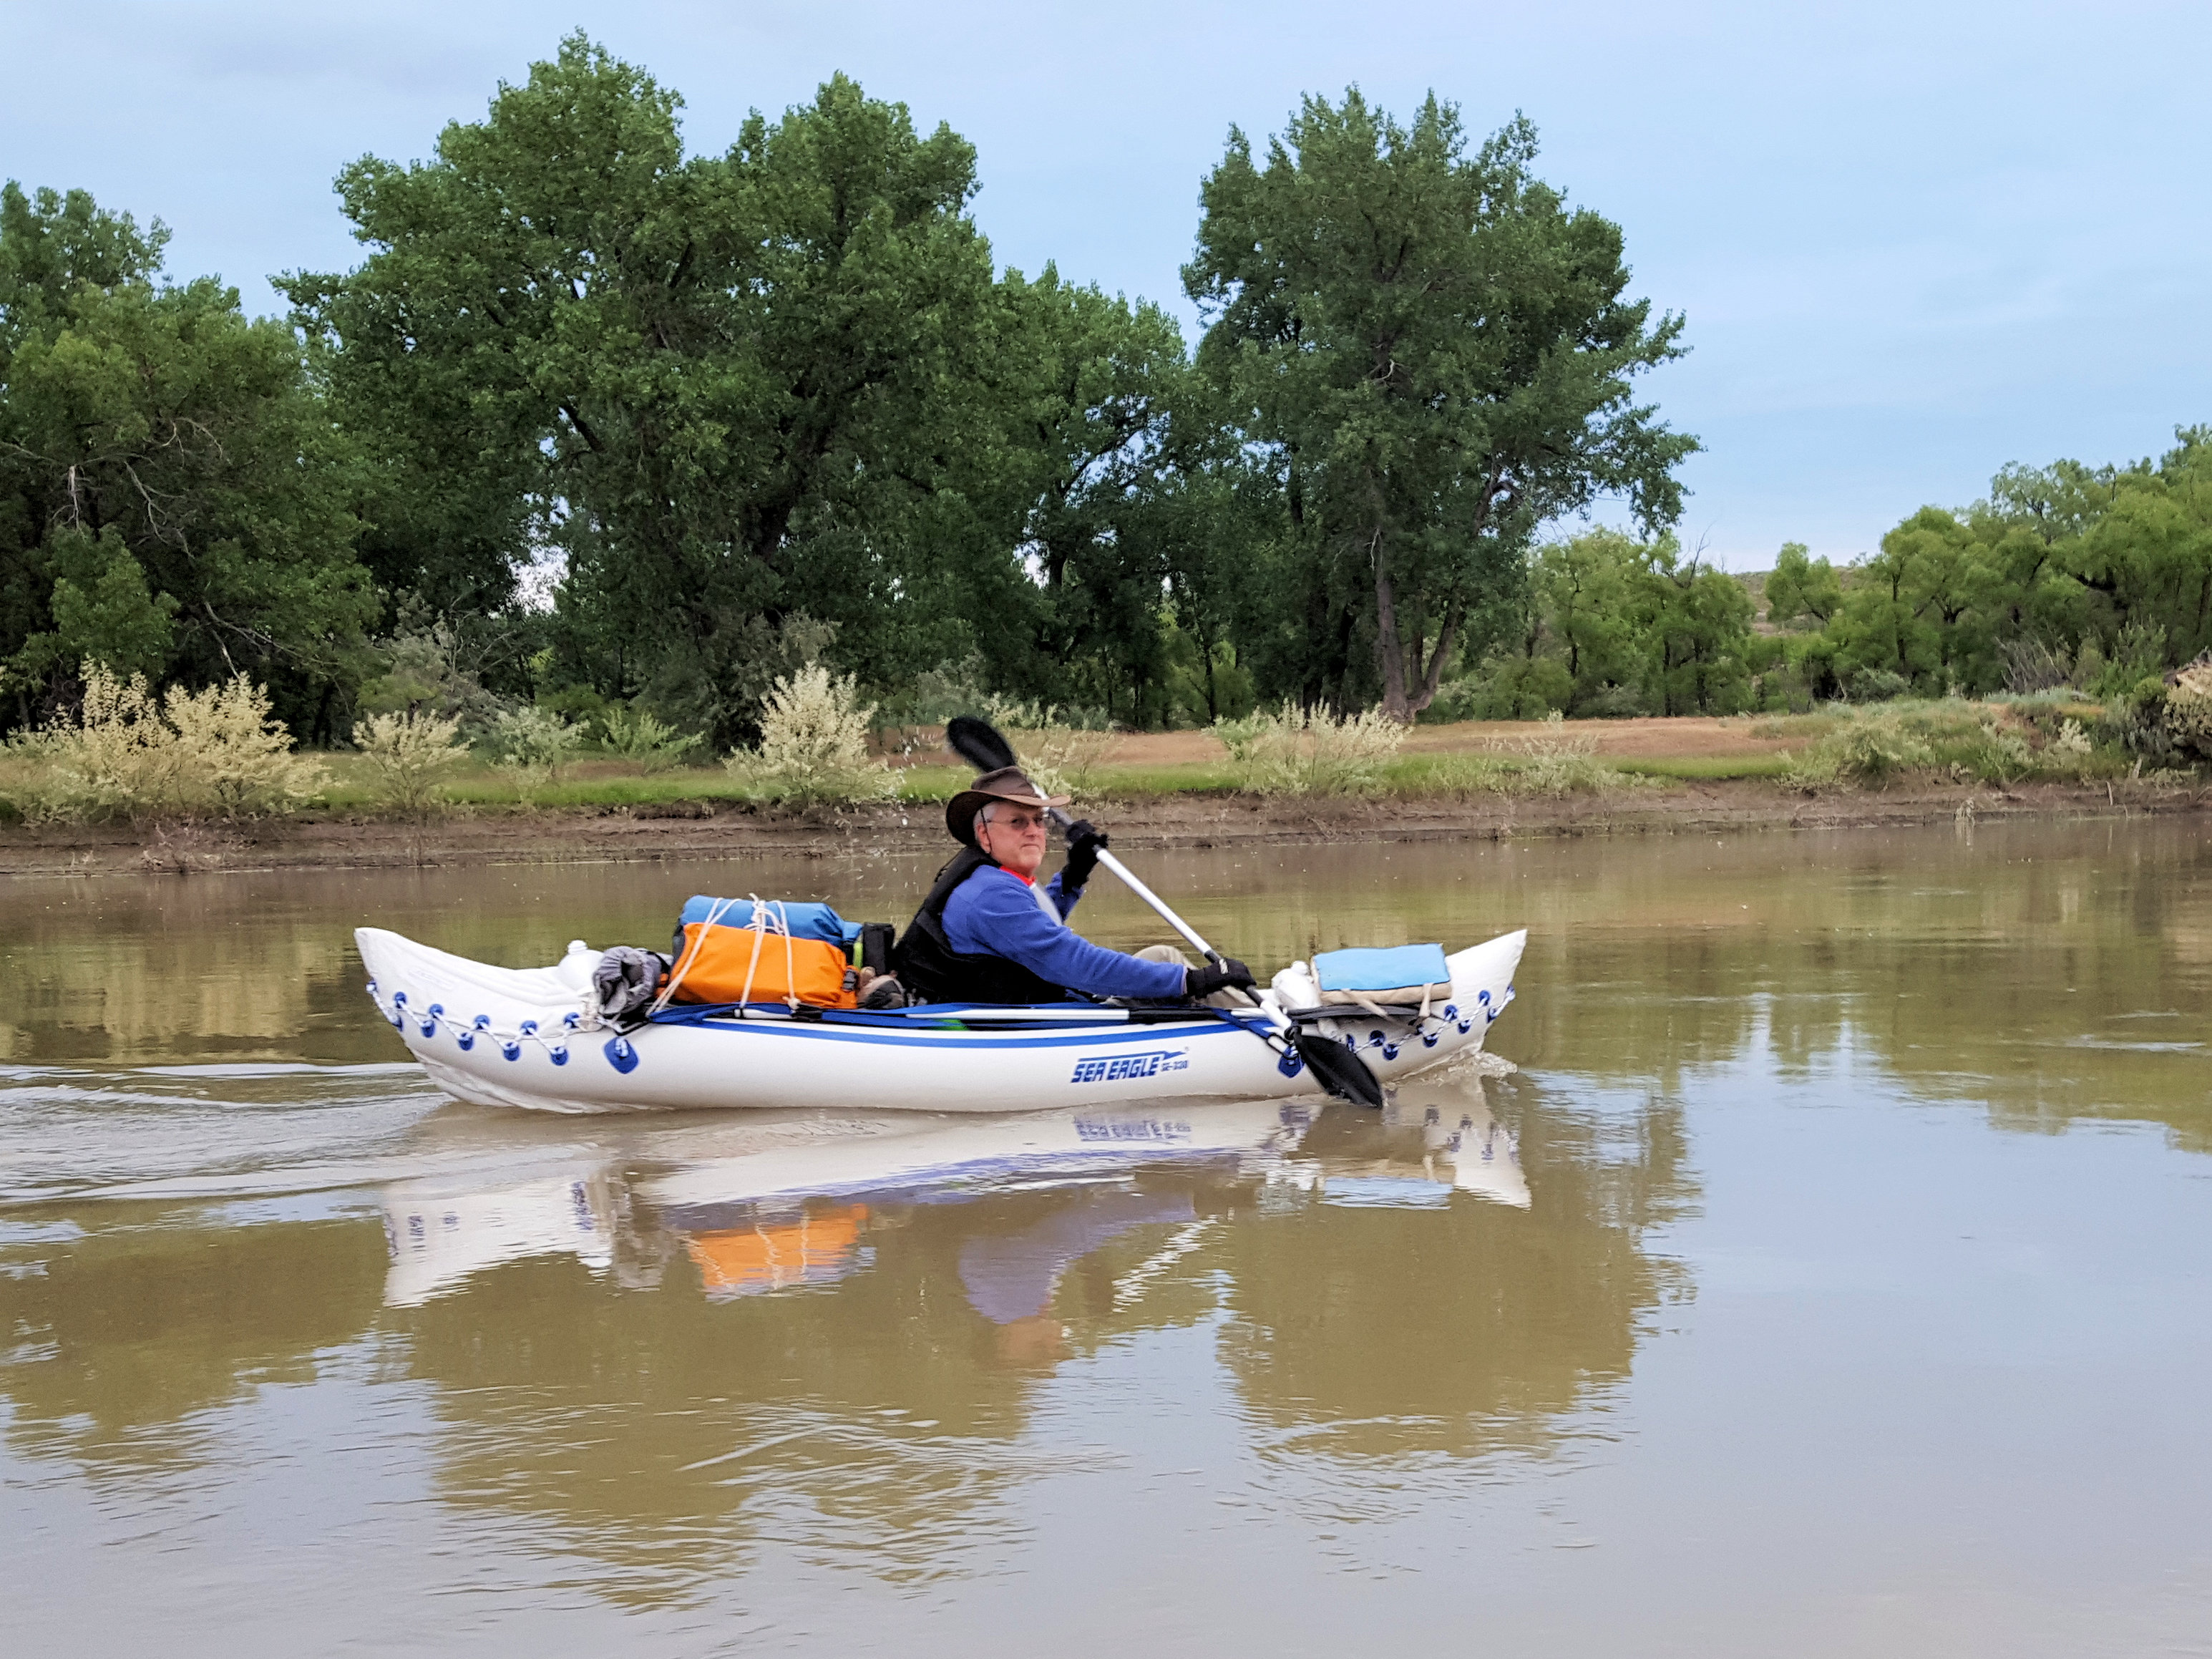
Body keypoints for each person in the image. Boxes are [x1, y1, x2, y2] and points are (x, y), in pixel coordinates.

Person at [887, 765, 1256, 1006]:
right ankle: (1273, 1033)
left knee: (1161, 956)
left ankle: (1249, 1012)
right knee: (1170, 964)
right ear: (984, 833)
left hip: (1031, 1006)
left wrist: (1075, 873)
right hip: (1020, 1034)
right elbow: (1071, 960)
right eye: (1017, 822)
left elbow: (1035, 924)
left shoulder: (992, 878)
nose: (1033, 830)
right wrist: (1190, 982)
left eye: (1038, 820)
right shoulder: (990, 894)